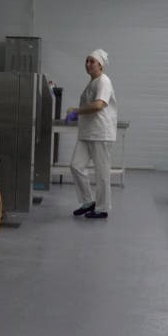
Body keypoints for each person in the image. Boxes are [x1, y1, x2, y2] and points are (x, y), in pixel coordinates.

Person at [69, 48, 117, 219]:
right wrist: (77, 115)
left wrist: (77, 111)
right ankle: (88, 201)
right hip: (87, 133)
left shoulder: (104, 81)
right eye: (87, 61)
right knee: (76, 165)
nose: (88, 64)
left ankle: (102, 208)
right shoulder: (92, 83)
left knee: (102, 172)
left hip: (101, 133)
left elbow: (98, 105)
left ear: (100, 65)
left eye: (92, 61)